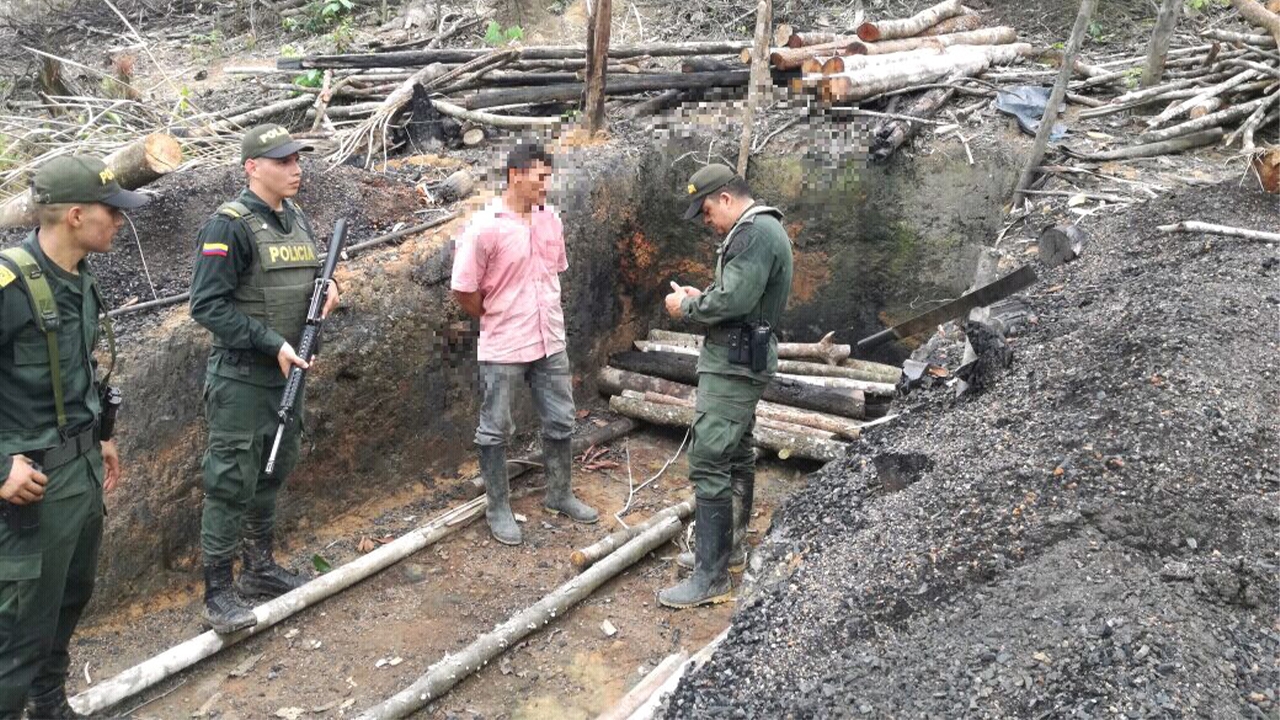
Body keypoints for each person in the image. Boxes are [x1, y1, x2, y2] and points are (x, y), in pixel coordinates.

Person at [0, 155, 147, 718]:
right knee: (17, 627)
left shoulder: (78, 276)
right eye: (113, 212)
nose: (121, 222)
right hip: (30, 486)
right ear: (77, 215)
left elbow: (74, 370)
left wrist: (100, 435)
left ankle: (48, 702)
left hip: (78, 474)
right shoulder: (12, 284)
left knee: (67, 600)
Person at [189, 124, 338, 634]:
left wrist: (332, 285)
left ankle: (259, 569)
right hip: (243, 379)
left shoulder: (293, 217)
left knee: (273, 469)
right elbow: (207, 306)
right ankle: (217, 592)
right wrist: (269, 342)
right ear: (253, 167)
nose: (296, 169)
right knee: (230, 480)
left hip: (288, 375)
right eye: (284, 161)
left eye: (298, 159)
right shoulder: (227, 226)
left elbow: (311, 278)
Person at [659, 163, 793, 609]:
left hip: (734, 364)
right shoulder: (761, 230)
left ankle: (711, 576)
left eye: (707, 212)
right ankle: (730, 550)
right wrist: (704, 299)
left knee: (709, 455)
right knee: (735, 450)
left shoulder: (753, 233)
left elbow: (734, 300)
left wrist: (687, 309)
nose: (706, 222)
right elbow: (740, 298)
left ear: (727, 200)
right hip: (738, 356)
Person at [450, 142, 598, 546]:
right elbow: (464, 290)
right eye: (540, 178)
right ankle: (498, 507)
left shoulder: (551, 220)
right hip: (505, 342)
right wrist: (496, 314)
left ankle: (559, 493)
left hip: (549, 338)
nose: (546, 187)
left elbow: (555, 273)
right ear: (516, 176)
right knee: (496, 427)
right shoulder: (485, 227)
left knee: (562, 419)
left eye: (549, 178)